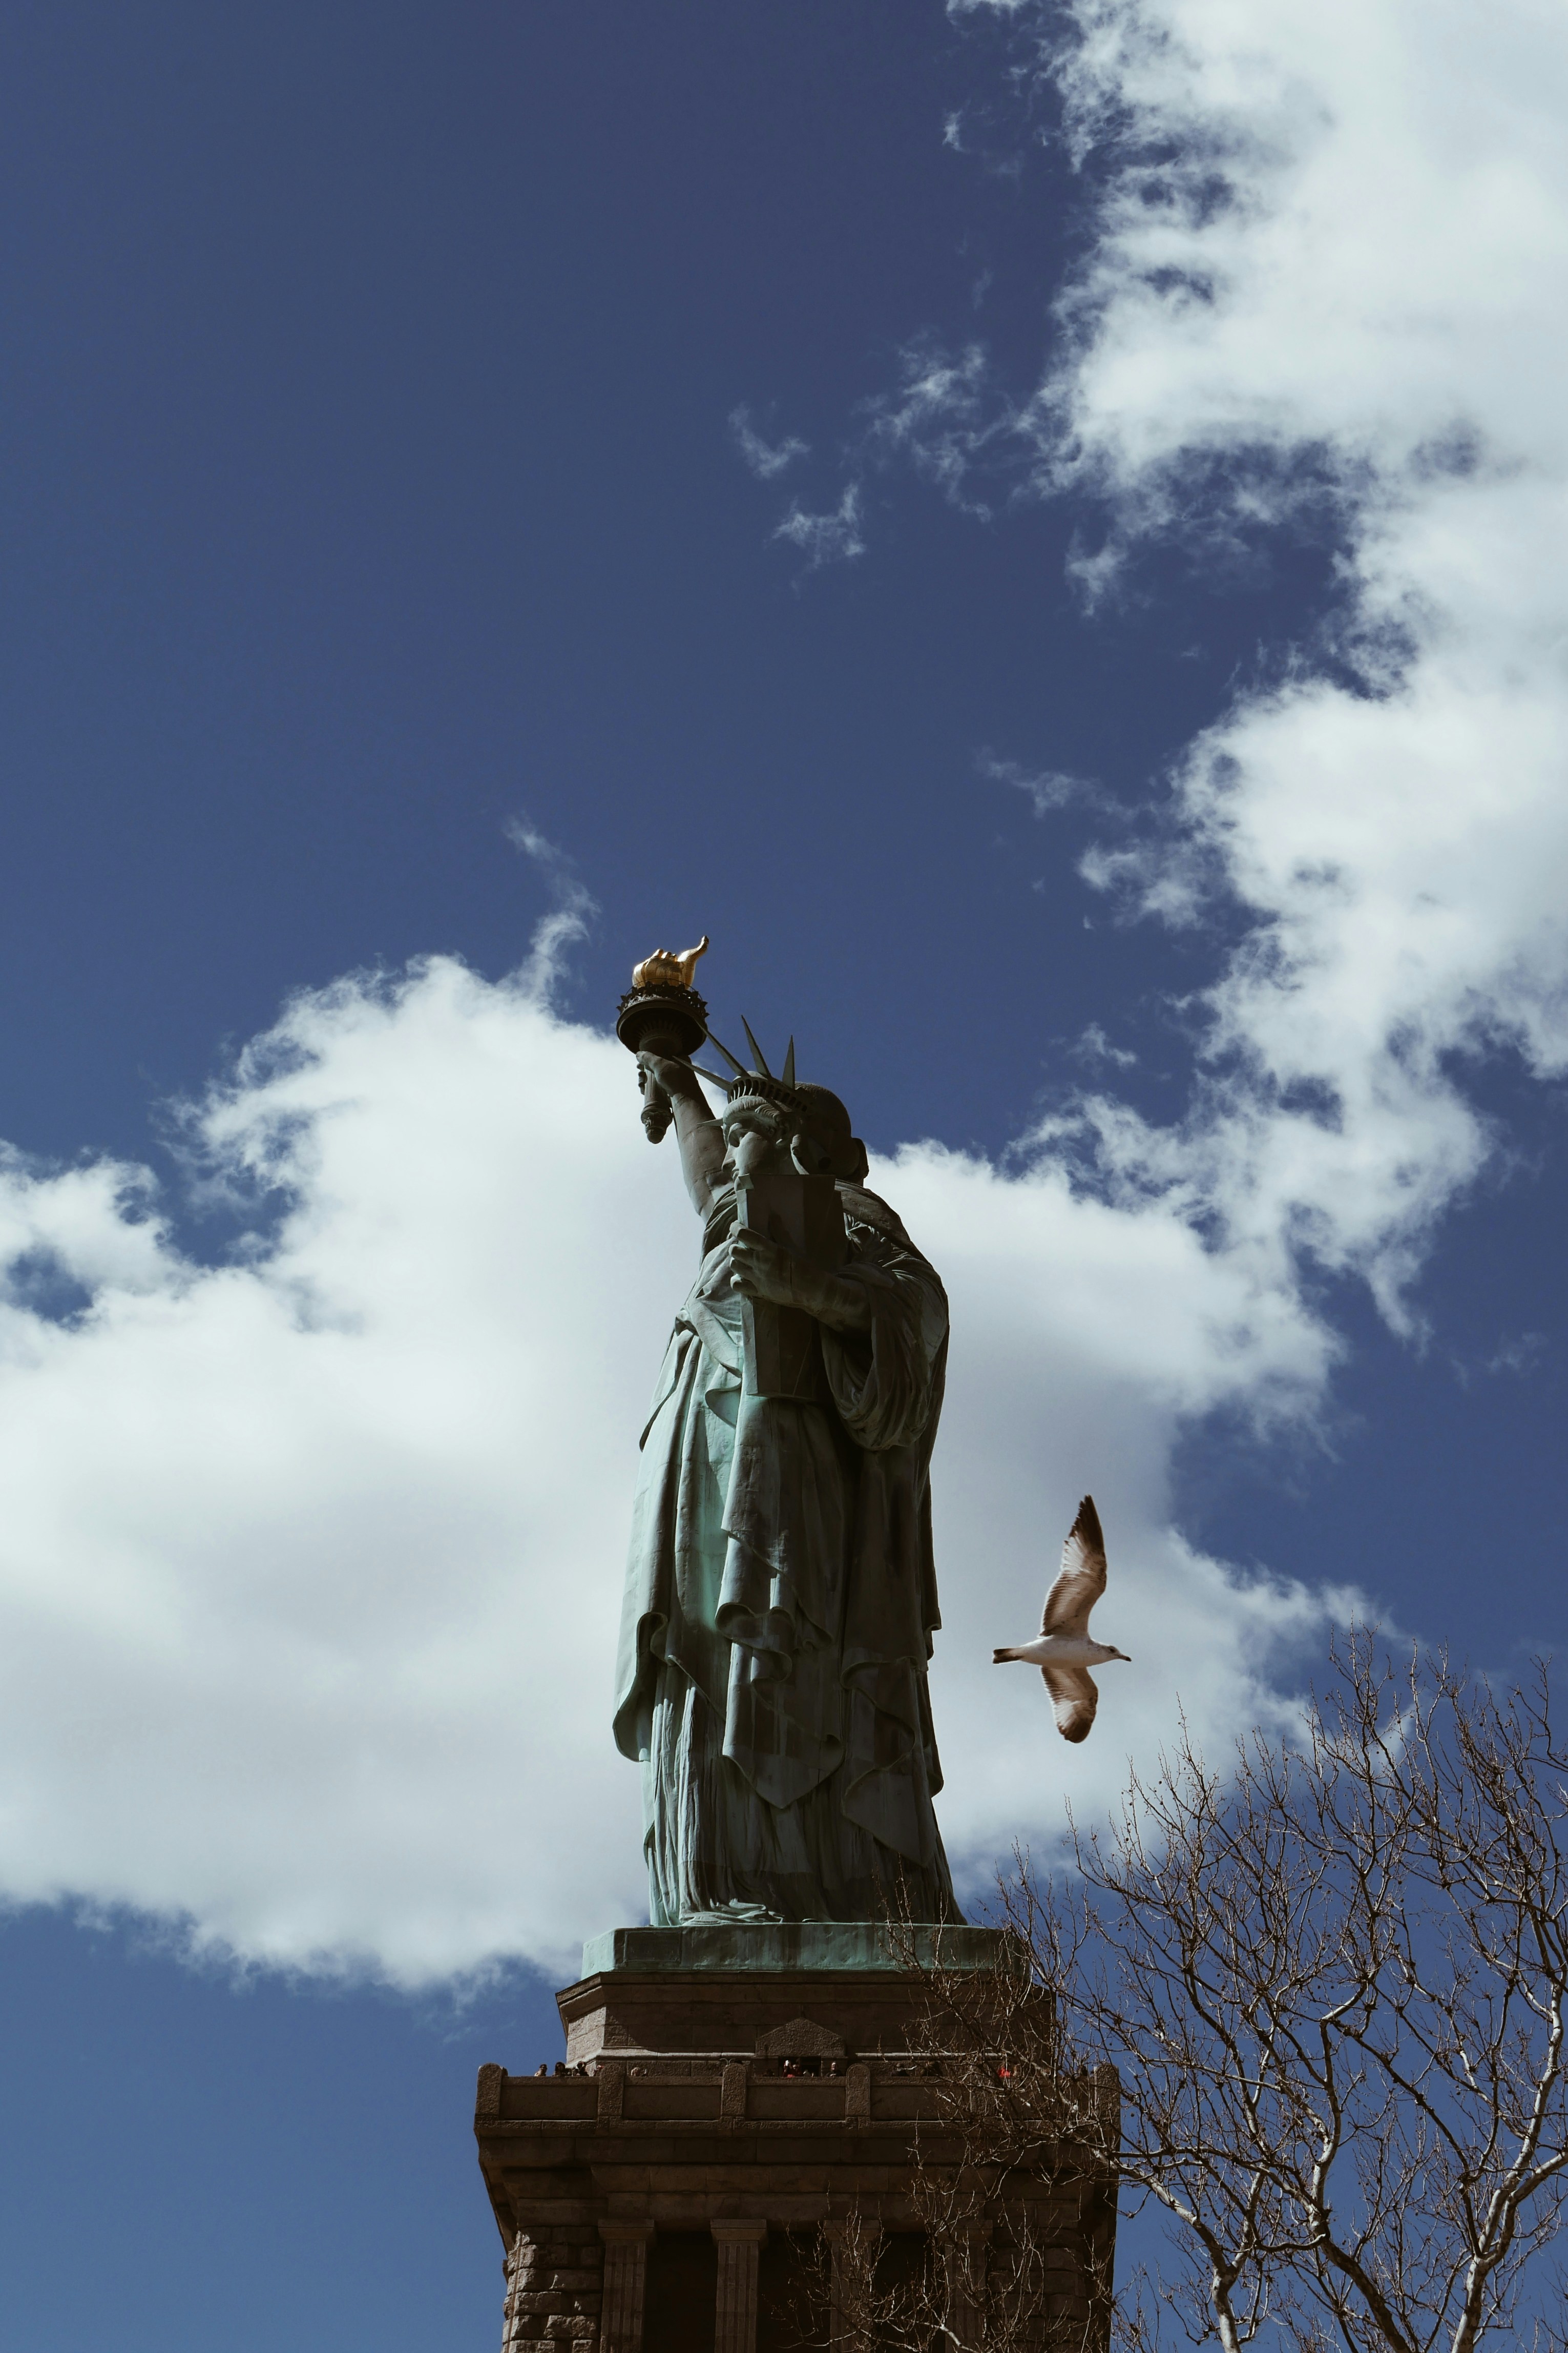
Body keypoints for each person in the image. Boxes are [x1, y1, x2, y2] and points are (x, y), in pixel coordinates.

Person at [613, 1042, 961, 1926]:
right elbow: (708, 1184)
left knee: (794, 1650)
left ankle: (857, 1895)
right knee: (704, 1650)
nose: (729, 1157)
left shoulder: (848, 1216)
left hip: (803, 1459)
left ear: (802, 1146)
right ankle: (717, 1881)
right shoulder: (733, 1218)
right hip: (707, 1446)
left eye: (750, 1137)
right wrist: (679, 1081)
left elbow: (914, 1312)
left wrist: (806, 1290)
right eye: (728, 1142)